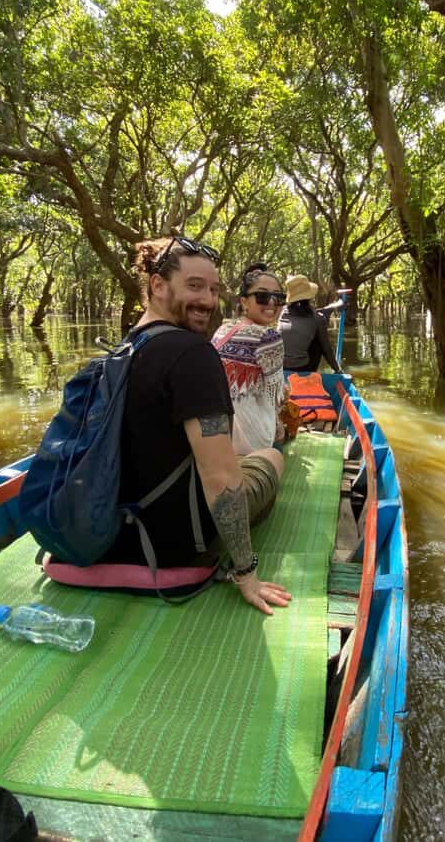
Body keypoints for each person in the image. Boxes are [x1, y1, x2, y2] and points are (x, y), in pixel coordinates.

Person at [100, 235, 290, 615]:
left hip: (113, 531)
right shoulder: (194, 355)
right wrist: (246, 571)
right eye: (194, 286)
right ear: (157, 285)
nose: (207, 299)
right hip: (178, 544)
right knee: (272, 455)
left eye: (213, 289)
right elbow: (220, 479)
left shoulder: (123, 348)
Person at [211, 263, 287, 456]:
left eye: (278, 298)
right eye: (262, 296)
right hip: (250, 439)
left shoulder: (223, 328)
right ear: (244, 302)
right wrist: (279, 427)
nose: (271, 303)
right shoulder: (269, 337)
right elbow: (275, 398)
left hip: (215, 432)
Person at [278, 275, 342, 373]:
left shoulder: (281, 312)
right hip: (301, 367)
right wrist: (337, 369)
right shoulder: (317, 318)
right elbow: (326, 349)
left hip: (279, 365)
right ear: (309, 297)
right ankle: (311, 373)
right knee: (320, 342)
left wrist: (331, 308)